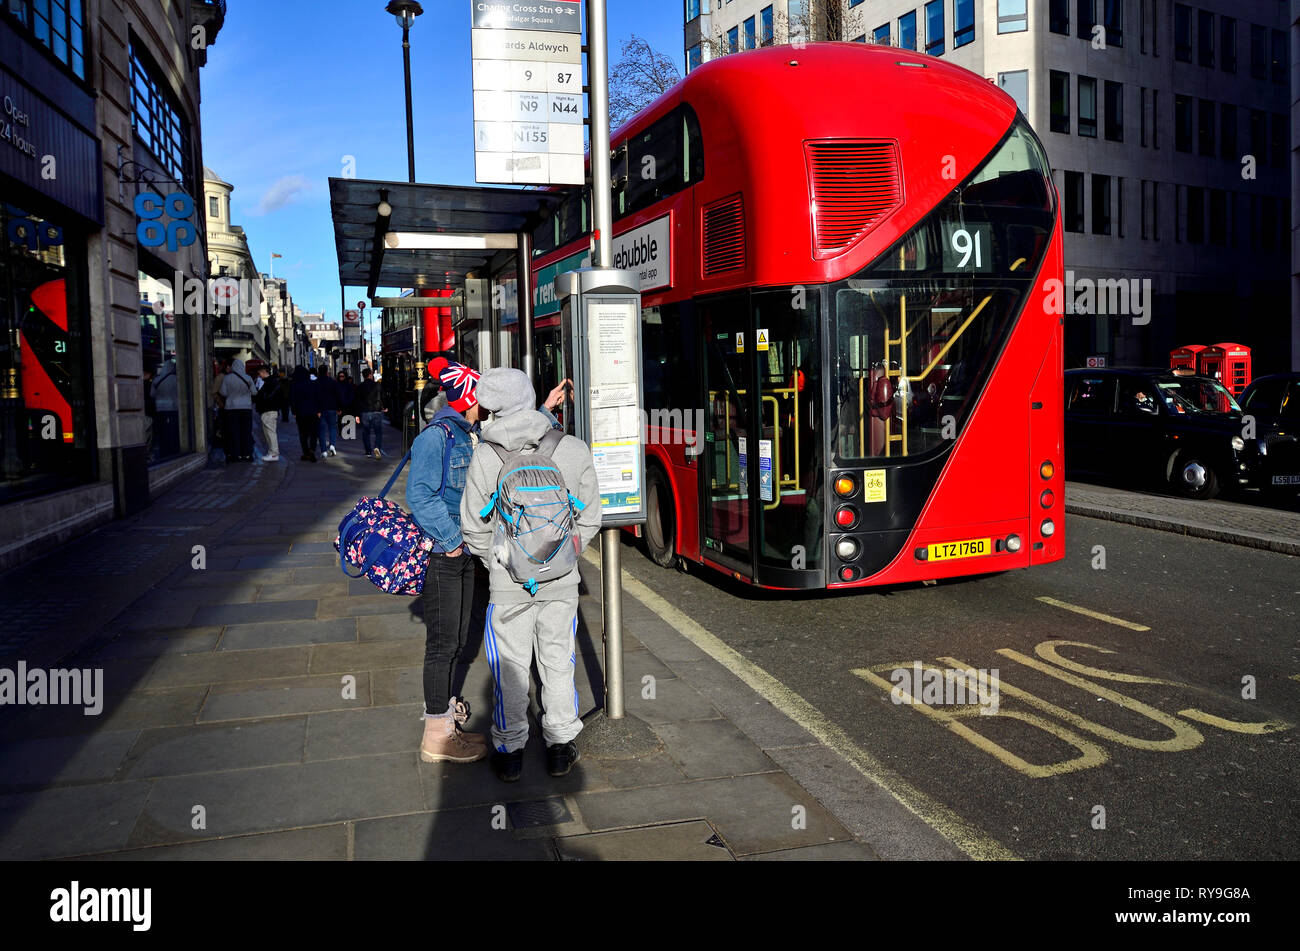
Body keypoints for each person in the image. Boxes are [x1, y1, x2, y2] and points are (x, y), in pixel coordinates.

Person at [460, 367, 601, 783]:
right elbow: (590, 516)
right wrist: (564, 555)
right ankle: (559, 746)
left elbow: (473, 526)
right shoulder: (572, 448)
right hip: (561, 581)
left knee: (511, 666)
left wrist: (502, 563)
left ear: (491, 405)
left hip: (508, 584)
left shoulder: (487, 454)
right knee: (558, 659)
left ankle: (510, 750)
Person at [407, 358, 488, 764]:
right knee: (441, 645)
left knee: (457, 640)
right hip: (443, 554)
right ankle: (435, 737)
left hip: (462, 552)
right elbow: (419, 495)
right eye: (481, 398)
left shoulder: (467, 434)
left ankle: (446, 724)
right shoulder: (436, 437)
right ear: (467, 399)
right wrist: (454, 541)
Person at [219, 357, 256, 461]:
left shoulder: (227, 378)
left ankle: (235, 454)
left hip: (231, 408)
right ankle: (247, 454)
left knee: (233, 432)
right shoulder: (248, 378)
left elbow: (223, 392)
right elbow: (254, 392)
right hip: (246, 408)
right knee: (246, 431)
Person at [289, 366, 321, 462]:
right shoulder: (312, 383)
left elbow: (292, 399)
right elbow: (317, 397)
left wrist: (294, 412)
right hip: (313, 412)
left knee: (303, 433)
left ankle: (306, 452)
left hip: (300, 412)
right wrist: (319, 410)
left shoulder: (294, 385)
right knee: (313, 433)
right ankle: (312, 450)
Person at [253, 365, 284, 461]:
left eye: (259, 374)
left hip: (269, 410)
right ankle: (272, 453)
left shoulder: (270, 383)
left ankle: (274, 453)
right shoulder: (271, 382)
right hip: (269, 410)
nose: (259, 376)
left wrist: (261, 400)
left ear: (263, 372)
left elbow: (266, 396)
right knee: (268, 433)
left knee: (270, 433)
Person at [354, 367, 386, 458]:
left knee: (366, 432)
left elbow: (357, 401)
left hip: (365, 412)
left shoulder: (360, 387)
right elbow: (383, 397)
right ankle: (377, 447)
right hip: (376, 411)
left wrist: (357, 415)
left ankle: (368, 451)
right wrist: (385, 407)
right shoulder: (378, 385)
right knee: (378, 431)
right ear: (370, 375)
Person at [316, 370, 342, 457]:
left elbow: (315, 397)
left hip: (321, 409)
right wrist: (339, 408)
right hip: (332, 408)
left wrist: (317, 410)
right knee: (332, 428)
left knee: (321, 430)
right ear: (327, 372)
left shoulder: (316, 382)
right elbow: (338, 395)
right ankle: (332, 445)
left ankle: (323, 450)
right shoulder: (333, 382)